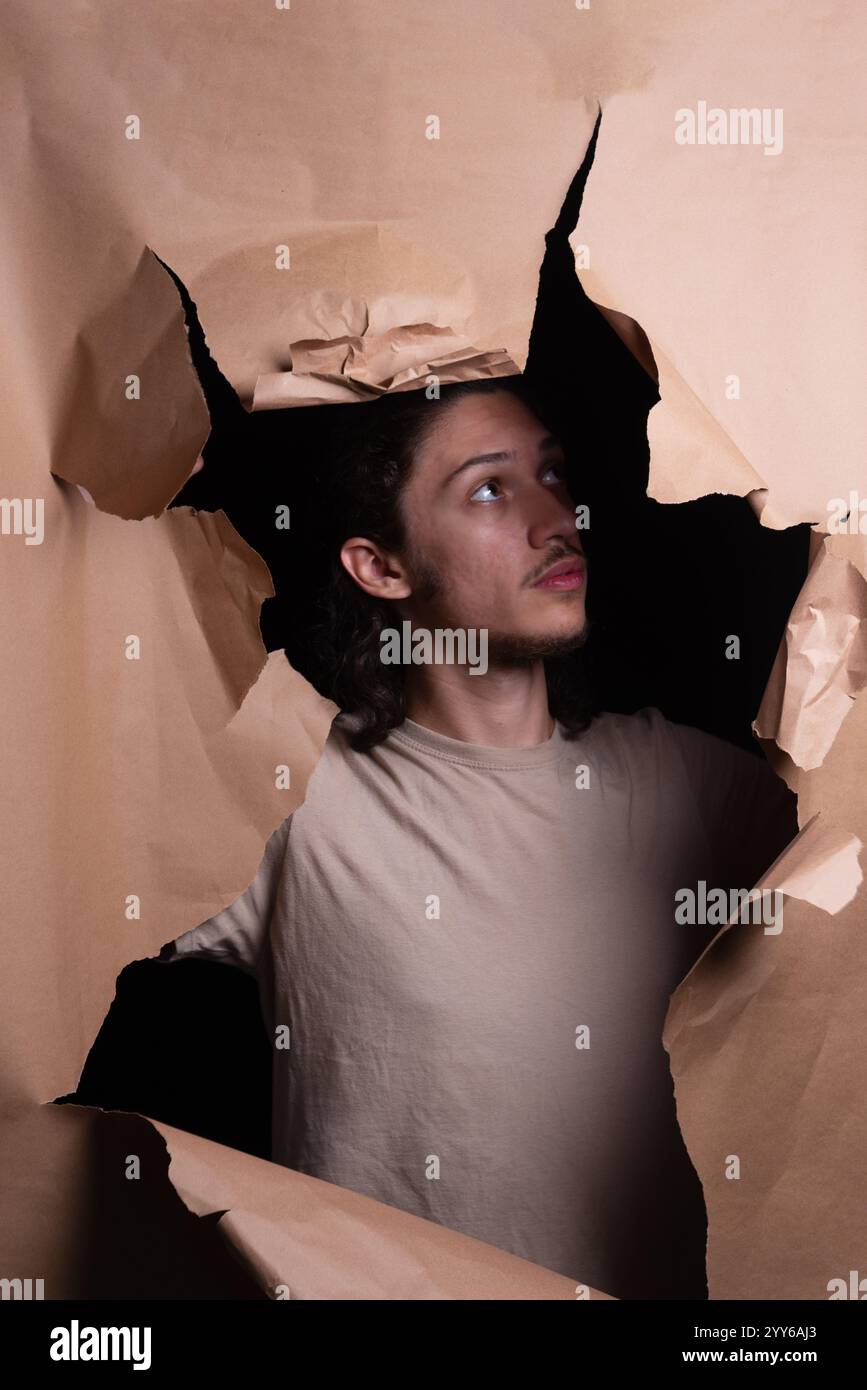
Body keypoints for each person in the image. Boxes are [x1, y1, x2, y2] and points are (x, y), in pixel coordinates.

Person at [159, 375, 799, 1299]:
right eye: (491, 489)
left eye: (551, 474)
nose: (556, 518)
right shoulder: (293, 794)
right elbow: (64, 833)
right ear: (381, 568)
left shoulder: (692, 790)